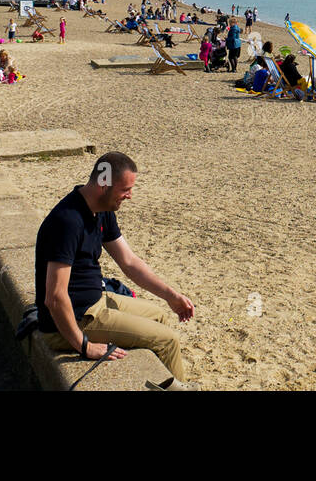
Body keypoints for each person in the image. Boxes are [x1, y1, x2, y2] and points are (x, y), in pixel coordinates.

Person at [35, 152, 196, 386]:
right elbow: (55, 297)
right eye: (125, 189)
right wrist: (84, 346)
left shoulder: (101, 210)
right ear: (103, 184)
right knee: (168, 340)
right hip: (77, 319)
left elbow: (129, 262)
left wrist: (171, 296)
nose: (130, 196)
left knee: (160, 315)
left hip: (95, 302)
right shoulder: (68, 222)